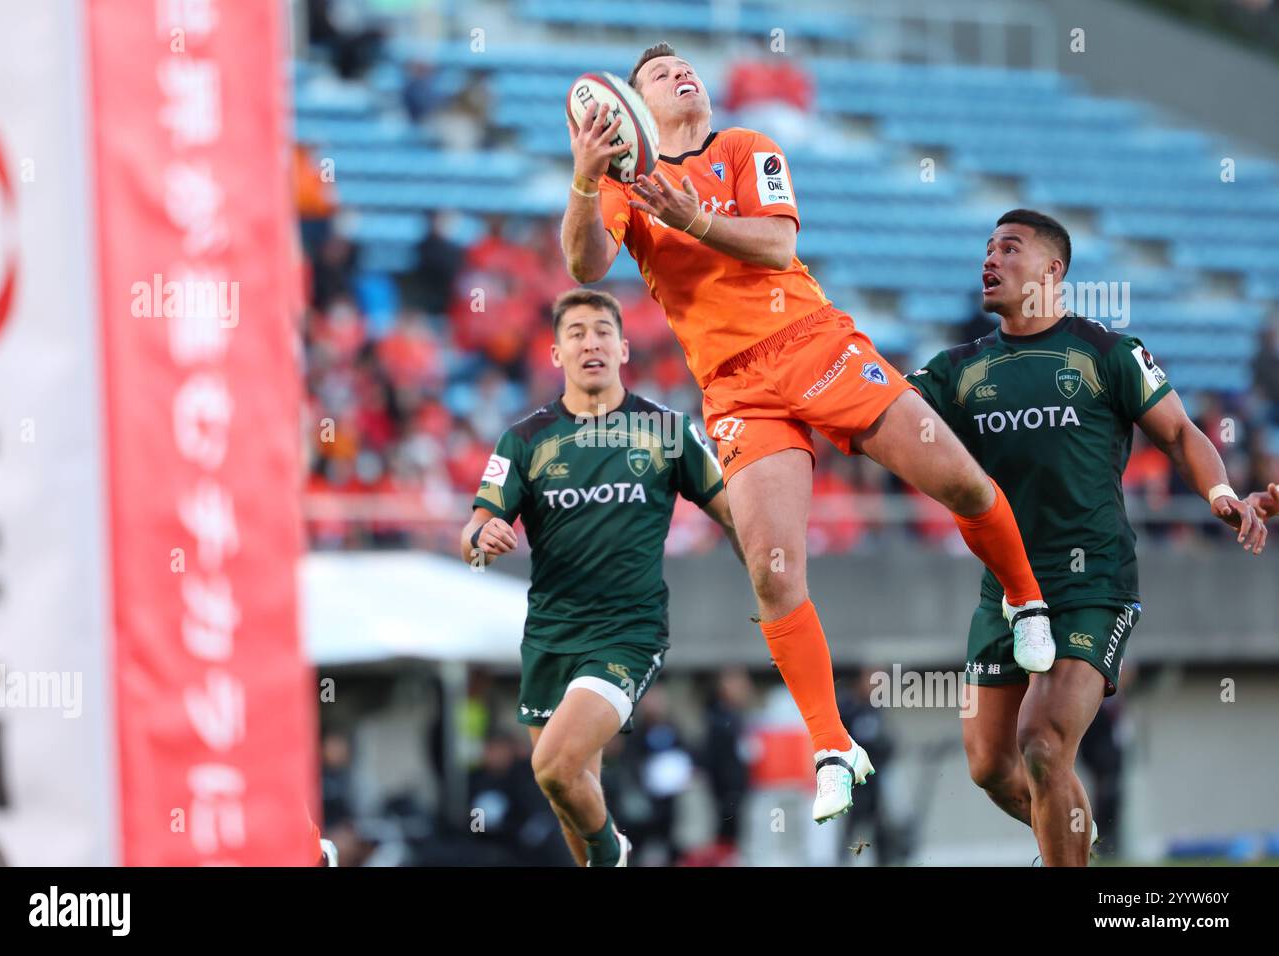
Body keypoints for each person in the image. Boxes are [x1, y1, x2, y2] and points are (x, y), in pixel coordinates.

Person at [561, 42, 1056, 823]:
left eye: (686, 66)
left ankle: (1028, 601)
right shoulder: (628, 186)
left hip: (814, 345)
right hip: (736, 389)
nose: (681, 73)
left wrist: (693, 216)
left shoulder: (746, 148)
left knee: (960, 480)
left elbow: (779, 244)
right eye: (659, 73)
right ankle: (833, 746)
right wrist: (587, 177)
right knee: (772, 571)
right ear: (635, 109)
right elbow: (586, 265)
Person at [907, 208, 1269, 866]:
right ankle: (1074, 831)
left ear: (1052, 271)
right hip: (1008, 594)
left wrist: (1219, 493)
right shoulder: (957, 370)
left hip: (1093, 582)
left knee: (1042, 744)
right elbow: (883, 412)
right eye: (986, 248)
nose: (989, 260)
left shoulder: (1107, 353)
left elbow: (1183, 434)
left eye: (1009, 249)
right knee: (991, 766)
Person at [460, 288, 743, 866]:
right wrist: (481, 540)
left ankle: (613, 853)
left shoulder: (667, 431)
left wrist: (775, 584)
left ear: (624, 347)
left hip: (627, 635)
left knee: (554, 766)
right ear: (556, 354)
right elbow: (471, 531)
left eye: (602, 331)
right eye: (576, 333)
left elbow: (738, 515)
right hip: (548, 638)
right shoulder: (525, 439)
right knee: (569, 791)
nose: (591, 341)